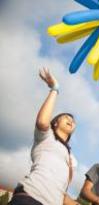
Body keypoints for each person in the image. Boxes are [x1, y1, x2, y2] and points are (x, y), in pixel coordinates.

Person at [9, 68, 79, 205]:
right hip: (29, 199)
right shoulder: (47, 137)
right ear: (55, 123)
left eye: (73, 120)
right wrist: (55, 88)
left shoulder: (71, 160)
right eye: (66, 117)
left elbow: (60, 192)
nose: (71, 120)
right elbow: (42, 122)